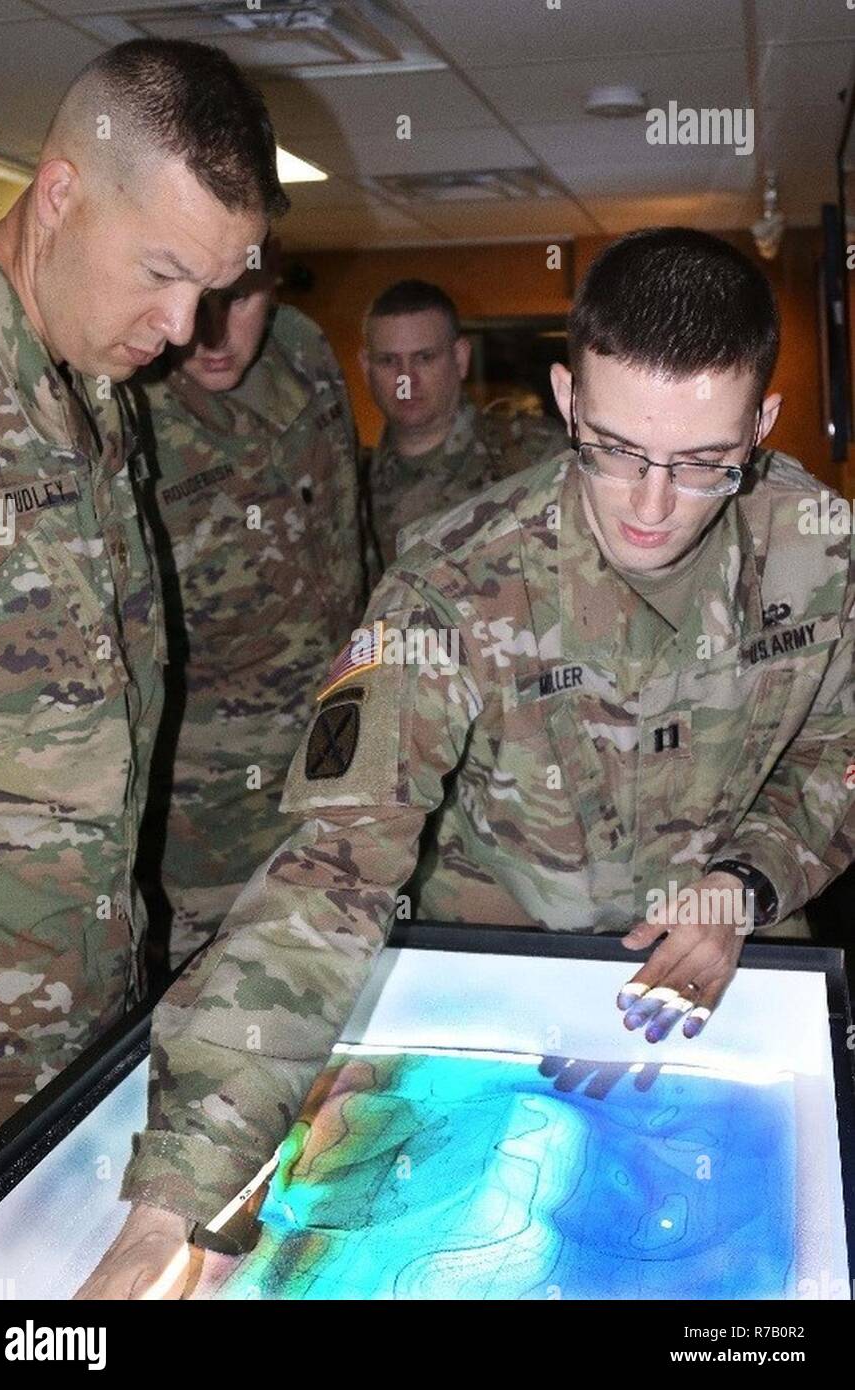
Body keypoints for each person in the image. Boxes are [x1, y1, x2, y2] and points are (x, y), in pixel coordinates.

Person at [79, 228, 854, 1299]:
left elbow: (839, 756)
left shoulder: (821, 551)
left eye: (701, 464)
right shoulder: (448, 583)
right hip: (496, 975)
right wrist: (180, 1194)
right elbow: (332, 873)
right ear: (567, 398)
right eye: (618, 448)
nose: (650, 503)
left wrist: (747, 880)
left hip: (725, 987)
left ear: (761, 428)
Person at [0, 37, 287, 1162]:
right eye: (163, 272)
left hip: (87, 1017)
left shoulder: (98, 391)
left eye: (216, 288)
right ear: (60, 194)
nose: (187, 330)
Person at [133, 239, 364, 974]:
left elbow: (350, 535)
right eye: (191, 294)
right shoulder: (129, 403)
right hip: (210, 825)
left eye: (237, 297)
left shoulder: (304, 352)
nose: (208, 331)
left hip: (342, 777)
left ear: (273, 282)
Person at [360, 279, 569, 578]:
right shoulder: (346, 487)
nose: (406, 380)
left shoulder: (535, 455)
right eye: (388, 361)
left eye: (424, 358)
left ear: (460, 358)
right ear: (366, 368)